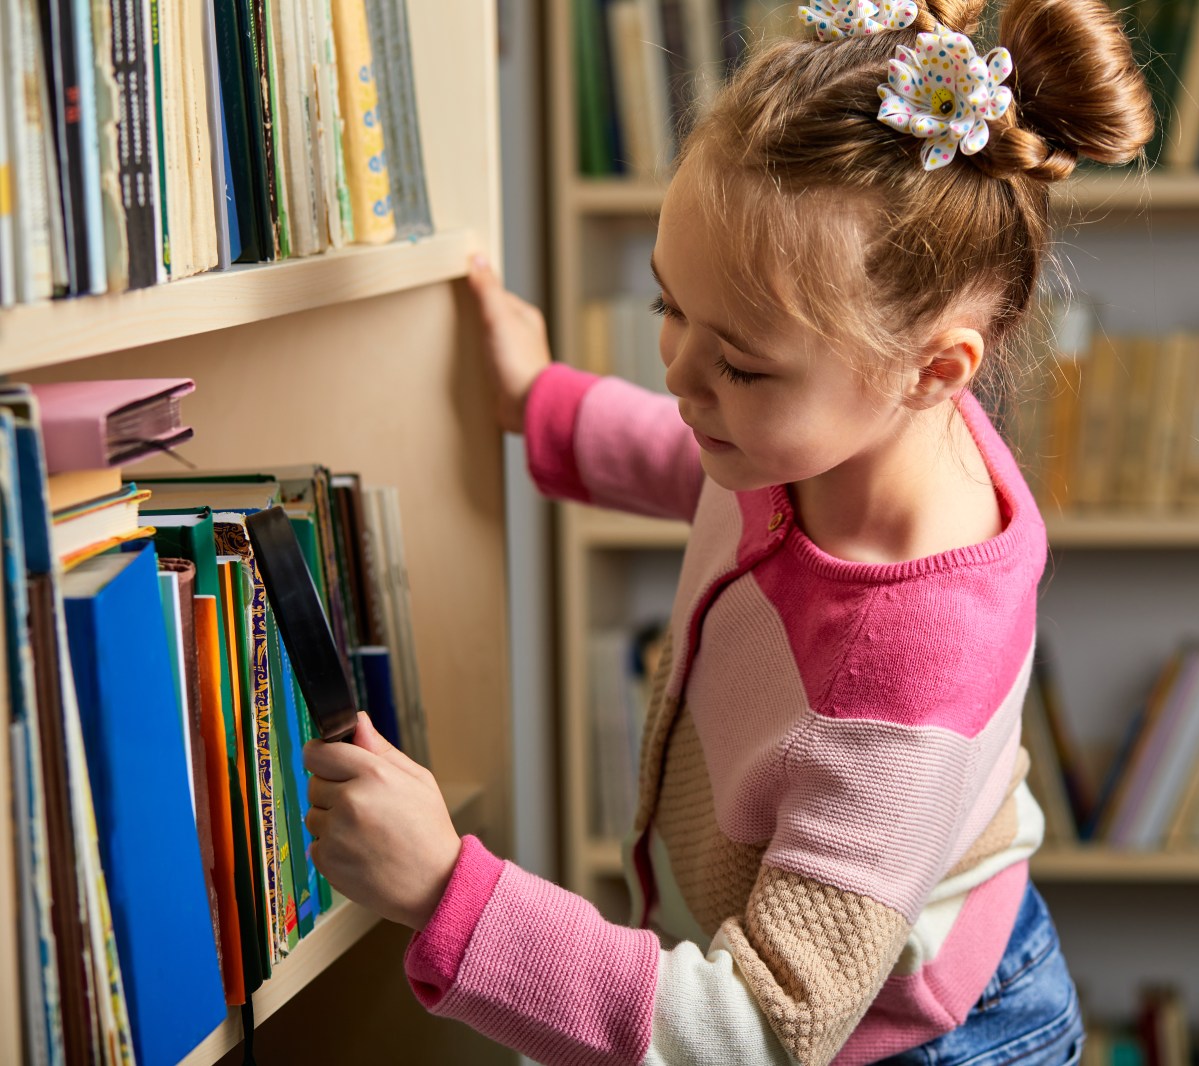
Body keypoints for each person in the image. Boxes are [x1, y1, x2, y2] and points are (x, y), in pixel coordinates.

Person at [302, 0, 1151, 1060]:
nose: (679, 375)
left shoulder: (906, 668)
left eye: (740, 363)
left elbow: (751, 1029)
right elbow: (712, 466)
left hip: (914, 1038)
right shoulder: (842, 431)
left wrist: (445, 890)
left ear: (934, 369)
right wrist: (547, 404)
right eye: (669, 307)